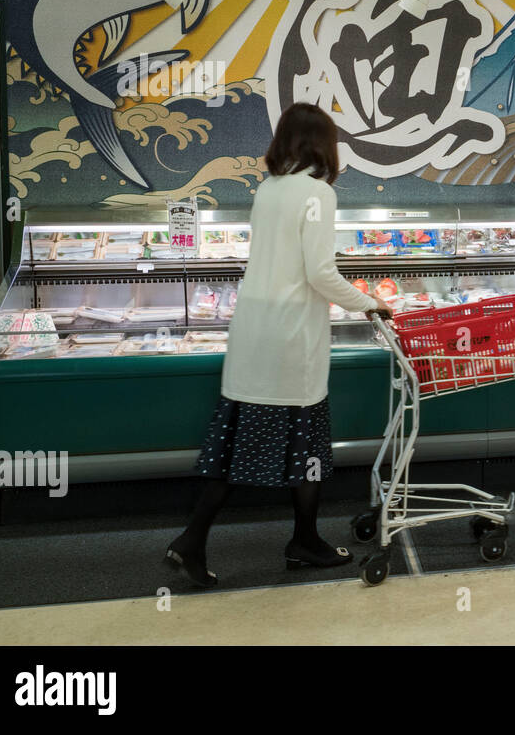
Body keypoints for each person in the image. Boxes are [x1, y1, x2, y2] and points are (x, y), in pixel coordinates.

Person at [165, 103, 391, 588]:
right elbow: (320, 273)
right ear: (323, 145)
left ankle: (195, 540)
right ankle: (300, 541)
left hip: (253, 334)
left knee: (232, 449)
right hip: (290, 339)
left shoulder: (268, 189)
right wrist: (370, 302)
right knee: (306, 447)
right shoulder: (317, 194)